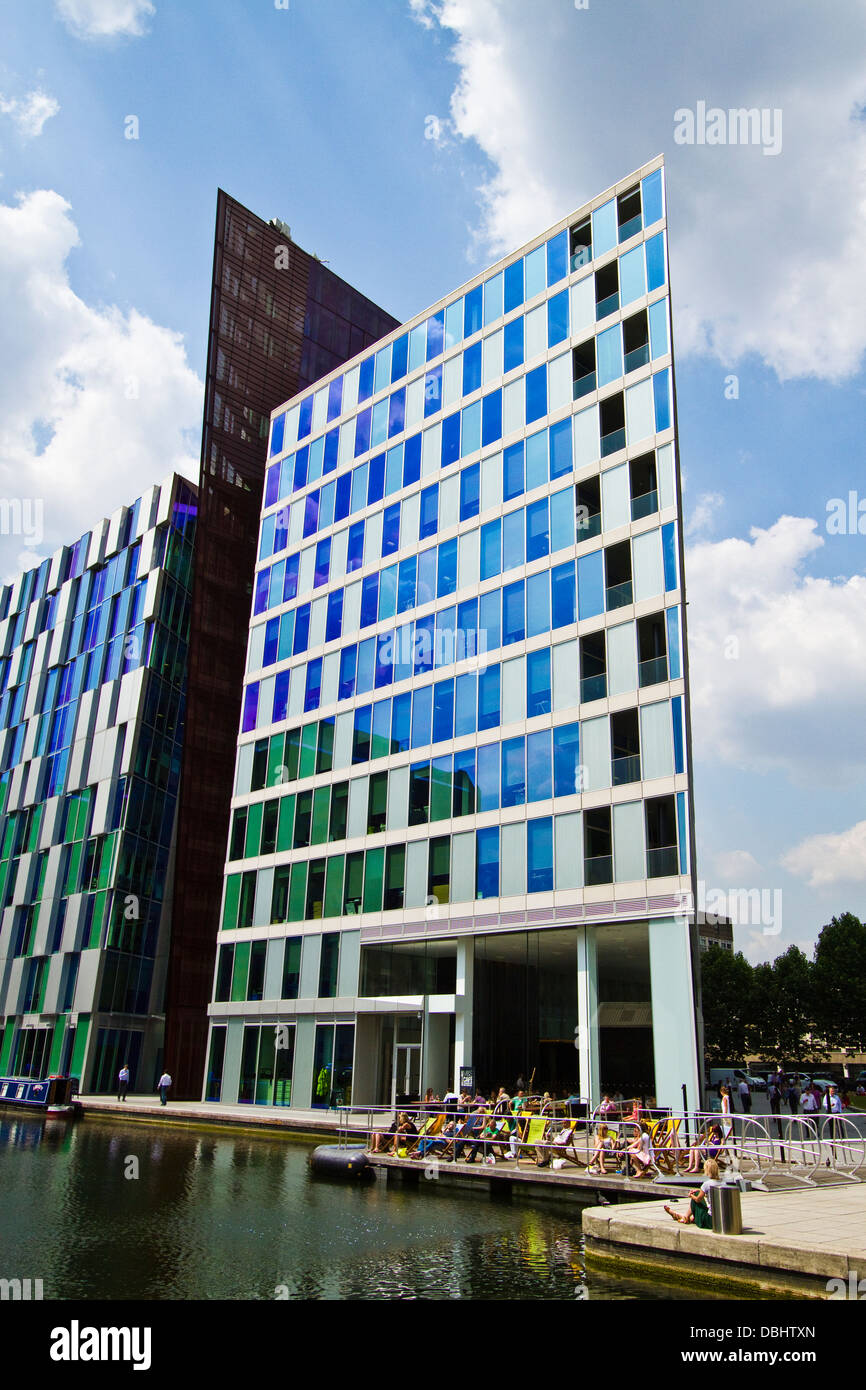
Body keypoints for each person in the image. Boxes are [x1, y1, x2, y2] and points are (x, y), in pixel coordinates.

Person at [664, 1158, 721, 1228]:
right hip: (720, 1219)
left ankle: (685, 1217)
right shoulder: (722, 1183)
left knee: (695, 1196)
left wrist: (691, 1195)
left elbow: (698, 1200)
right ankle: (683, 1217)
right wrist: (699, 1191)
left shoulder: (706, 1184)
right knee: (697, 1197)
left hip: (710, 1221)